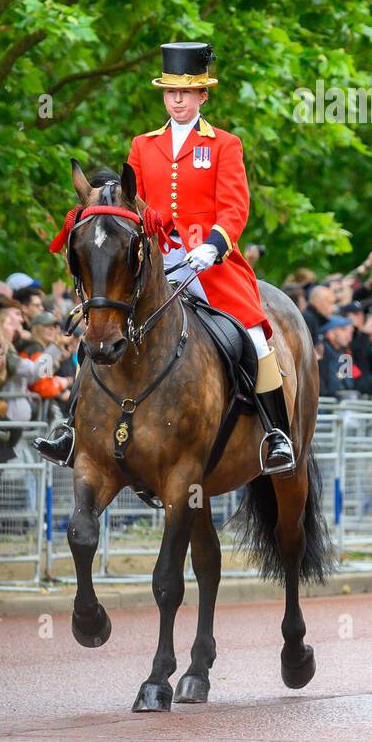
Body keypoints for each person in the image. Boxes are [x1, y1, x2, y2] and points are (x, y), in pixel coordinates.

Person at [36, 41, 294, 474]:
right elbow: (141, 206)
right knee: (100, 326)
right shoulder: (143, 145)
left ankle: (275, 433)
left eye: (186, 92)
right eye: (171, 92)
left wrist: (212, 244)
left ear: (202, 96)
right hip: (156, 261)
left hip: (211, 262)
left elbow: (235, 207)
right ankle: (72, 429)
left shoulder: (225, 144)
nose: (177, 100)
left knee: (252, 332)